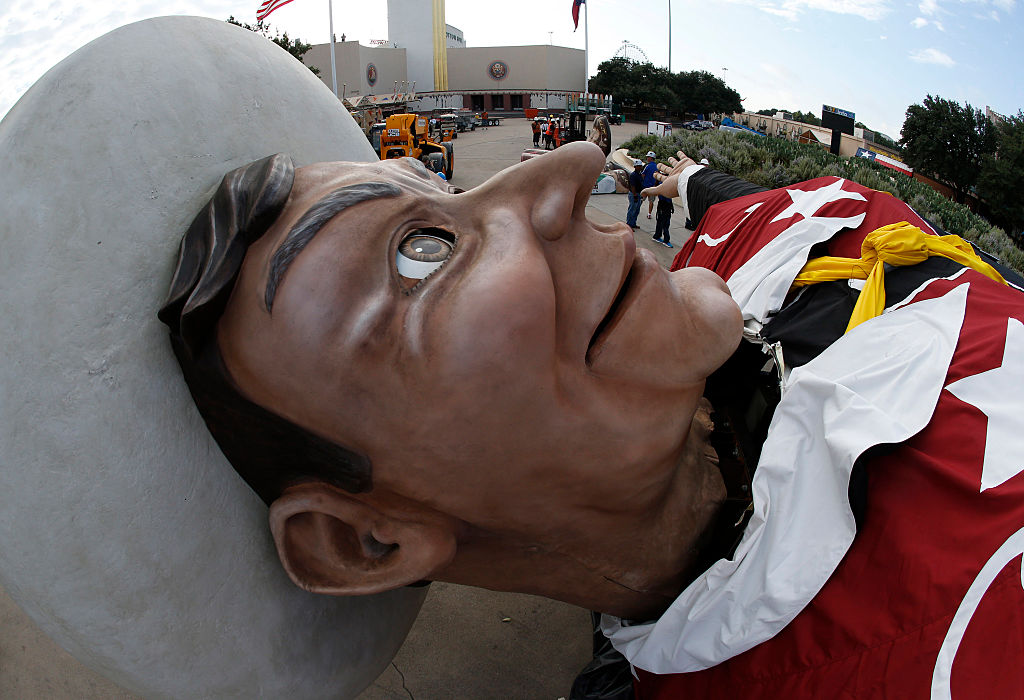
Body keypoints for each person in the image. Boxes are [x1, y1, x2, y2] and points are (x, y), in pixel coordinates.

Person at [159, 138, 1024, 699]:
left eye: (443, 189)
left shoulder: (800, 253)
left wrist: (697, 185)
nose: (568, 168)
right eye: (421, 254)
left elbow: (738, 206)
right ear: (365, 542)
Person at [626, 158, 644, 230]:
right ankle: (629, 225)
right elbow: (632, 186)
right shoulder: (633, 175)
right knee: (632, 209)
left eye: (640, 166)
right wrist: (635, 195)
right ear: (635, 167)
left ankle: (633, 223)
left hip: (638, 194)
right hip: (634, 194)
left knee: (637, 210)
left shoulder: (639, 174)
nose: (640, 167)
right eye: (638, 166)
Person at [642, 150, 659, 219]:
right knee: (651, 201)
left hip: (646, 186)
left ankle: (637, 209)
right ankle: (649, 213)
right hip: (653, 187)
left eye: (648, 157)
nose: (647, 158)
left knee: (641, 199)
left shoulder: (647, 166)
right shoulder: (657, 167)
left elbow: (643, 175)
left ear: (651, 158)